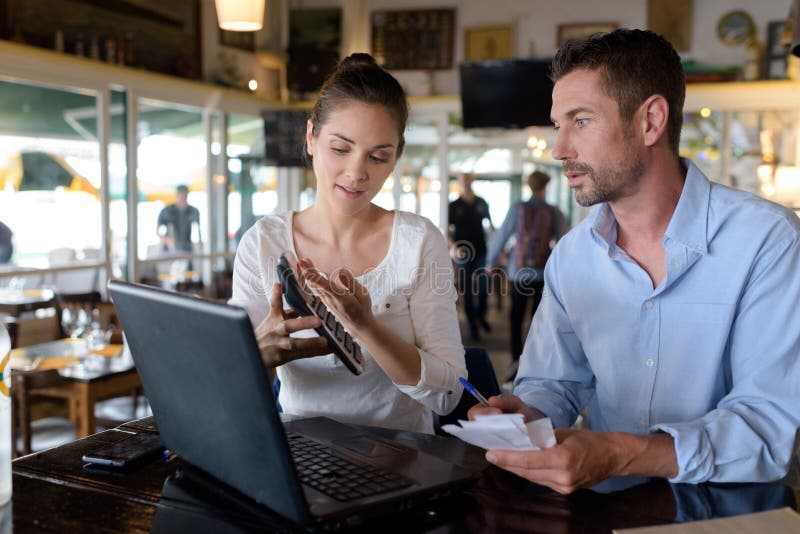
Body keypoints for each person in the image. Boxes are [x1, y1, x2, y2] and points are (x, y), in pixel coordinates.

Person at [471, 29, 800, 492]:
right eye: (557, 124)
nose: (559, 148)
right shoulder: (572, 255)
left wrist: (620, 454)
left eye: (580, 121)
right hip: (609, 508)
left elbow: (768, 426)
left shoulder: (767, 242)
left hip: (734, 511)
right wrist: (528, 413)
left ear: (650, 121)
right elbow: (554, 382)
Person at [229, 53, 465, 434]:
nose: (356, 173)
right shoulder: (263, 243)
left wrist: (366, 326)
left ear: (396, 158)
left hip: (403, 460)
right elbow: (228, 388)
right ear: (310, 137)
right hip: (299, 459)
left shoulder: (418, 241)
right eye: (341, 149)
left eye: (378, 156)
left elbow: (449, 394)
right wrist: (256, 355)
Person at [486, 170, 568, 381]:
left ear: (529, 186)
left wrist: (490, 261)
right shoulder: (553, 211)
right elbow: (565, 242)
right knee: (537, 319)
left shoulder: (517, 209)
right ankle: (535, 361)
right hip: (542, 274)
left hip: (518, 273)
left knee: (515, 317)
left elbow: (502, 235)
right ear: (545, 187)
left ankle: (515, 360)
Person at [448, 172, 493, 340]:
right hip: (463, 253)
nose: (466, 181)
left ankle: (480, 315)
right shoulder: (454, 205)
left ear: (472, 180)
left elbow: (490, 226)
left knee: (483, 286)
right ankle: (472, 324)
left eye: (468, 178)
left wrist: (498, 248)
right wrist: (454, 247)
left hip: (481, 251)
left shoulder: (481, 202)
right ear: (459, 182)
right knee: (466, 290)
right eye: (463, 179)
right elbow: (447, 231)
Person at [156, 185, 201, 254]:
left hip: (187, 249)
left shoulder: (193, 211)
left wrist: (199, 246)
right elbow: (158, 231)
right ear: (177, 195)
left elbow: (198, 231)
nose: (183, 198)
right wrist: (167, 240)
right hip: (169, 251)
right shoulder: (167, 211)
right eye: (181, 195)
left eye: (185, 196)